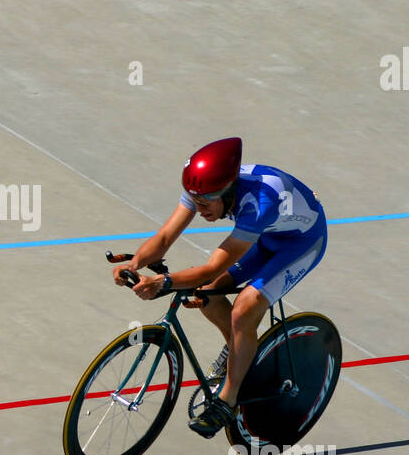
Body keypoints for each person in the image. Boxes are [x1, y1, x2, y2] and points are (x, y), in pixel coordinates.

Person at [109, 137, 327, 438]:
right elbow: (163, 239)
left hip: (301, 243)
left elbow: (213, 267)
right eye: (194, 202)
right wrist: (134, 265)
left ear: (228, 190)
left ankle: (227, 399)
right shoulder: (204, 189)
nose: (199, 210)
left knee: (246, 306)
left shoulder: (260, 205)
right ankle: (241, 353)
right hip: (267, 237)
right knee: (207, 292)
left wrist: (164, 282)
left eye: (205, 204)